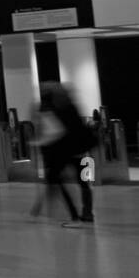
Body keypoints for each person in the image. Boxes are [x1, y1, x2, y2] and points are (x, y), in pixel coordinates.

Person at [33, 83, 96, 226]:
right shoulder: (71, 106)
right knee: (83, 182)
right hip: (81, 150)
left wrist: (40, 142)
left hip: (68, 152)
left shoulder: (59, 109)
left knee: (56, 179)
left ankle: (74, 216)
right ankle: (87, 213)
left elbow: (59, 132)